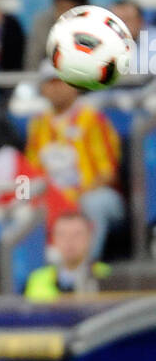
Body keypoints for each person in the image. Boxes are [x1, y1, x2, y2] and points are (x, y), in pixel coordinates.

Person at [25, 61, 124, 256]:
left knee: (94, 203)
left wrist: (74, 195)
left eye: (61, 82)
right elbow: (31, 170)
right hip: (53, 196)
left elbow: (108, 173)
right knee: (25, 208)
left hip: (94, 194)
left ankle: (84, 269)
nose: (55, 88)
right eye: (50, 83)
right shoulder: (38, 125)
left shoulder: (93, 119)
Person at [25, 210, 109, 299]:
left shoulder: (106, 275)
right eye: (62, 234)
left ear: (90, 237)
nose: (69, 240)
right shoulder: (37, 279)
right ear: (53, 239)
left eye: (77, 234)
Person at [25, 0, 88, 71]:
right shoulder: (42, 22)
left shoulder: (96, 22)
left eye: (70, 9)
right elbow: (33, 62)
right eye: (61, 8)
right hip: (48, 79)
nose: (64, 15)